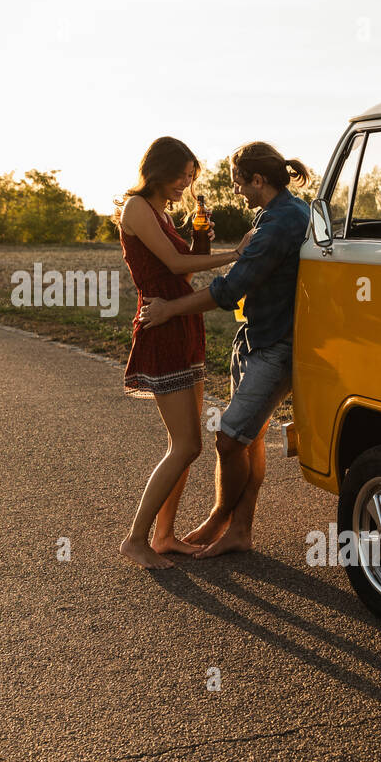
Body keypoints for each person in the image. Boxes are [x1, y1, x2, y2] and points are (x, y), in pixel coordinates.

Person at [138, 141, 310, 558]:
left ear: (257, 180)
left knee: (230, 438)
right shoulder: (277, 212)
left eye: (237, 183)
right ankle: (240, 531)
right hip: (255, 337)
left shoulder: (280, 222)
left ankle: (221, 517)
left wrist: (170, 310)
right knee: (249, 438)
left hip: (275, 344)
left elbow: (229, 288)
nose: (235, 192)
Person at [117, 137, 250, 570]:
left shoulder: (163, 212)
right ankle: (135, 539)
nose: (186, 184)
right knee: (187, 445)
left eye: (192, 178)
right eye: (182, 176)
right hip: (161, 323)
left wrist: (200, 236)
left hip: (181, 323)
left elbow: (186, 260)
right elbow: (174, 266)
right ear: (160, 169)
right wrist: (235, 254)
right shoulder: (136, 207)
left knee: (184, 443)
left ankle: (164, 535)